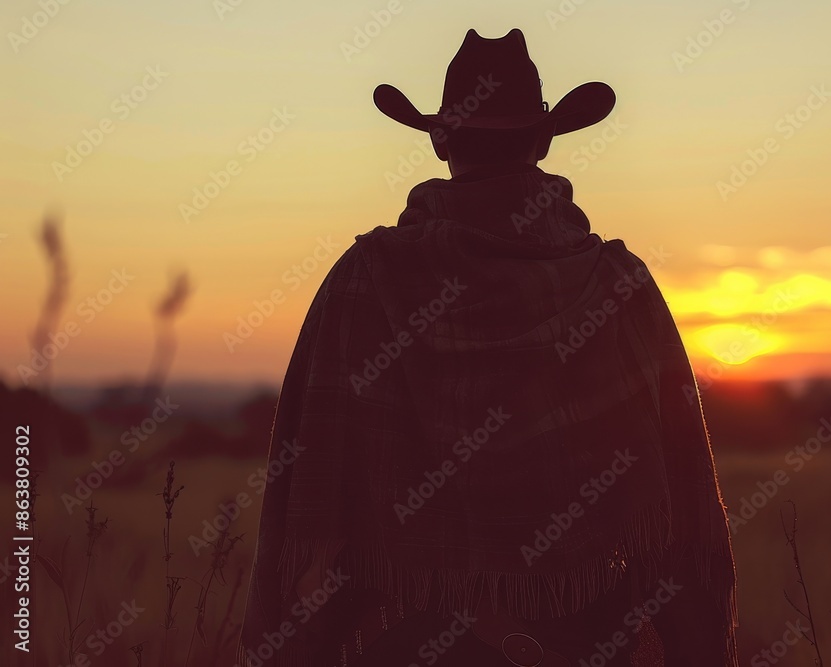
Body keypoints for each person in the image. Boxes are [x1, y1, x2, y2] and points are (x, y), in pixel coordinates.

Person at [238, 28, 738, 666]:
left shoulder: (366, 279)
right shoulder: (619, 286)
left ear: (441, 142)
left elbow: (311, 493)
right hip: (587, 645)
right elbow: (683, 510)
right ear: (543, 141)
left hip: (406, 646)